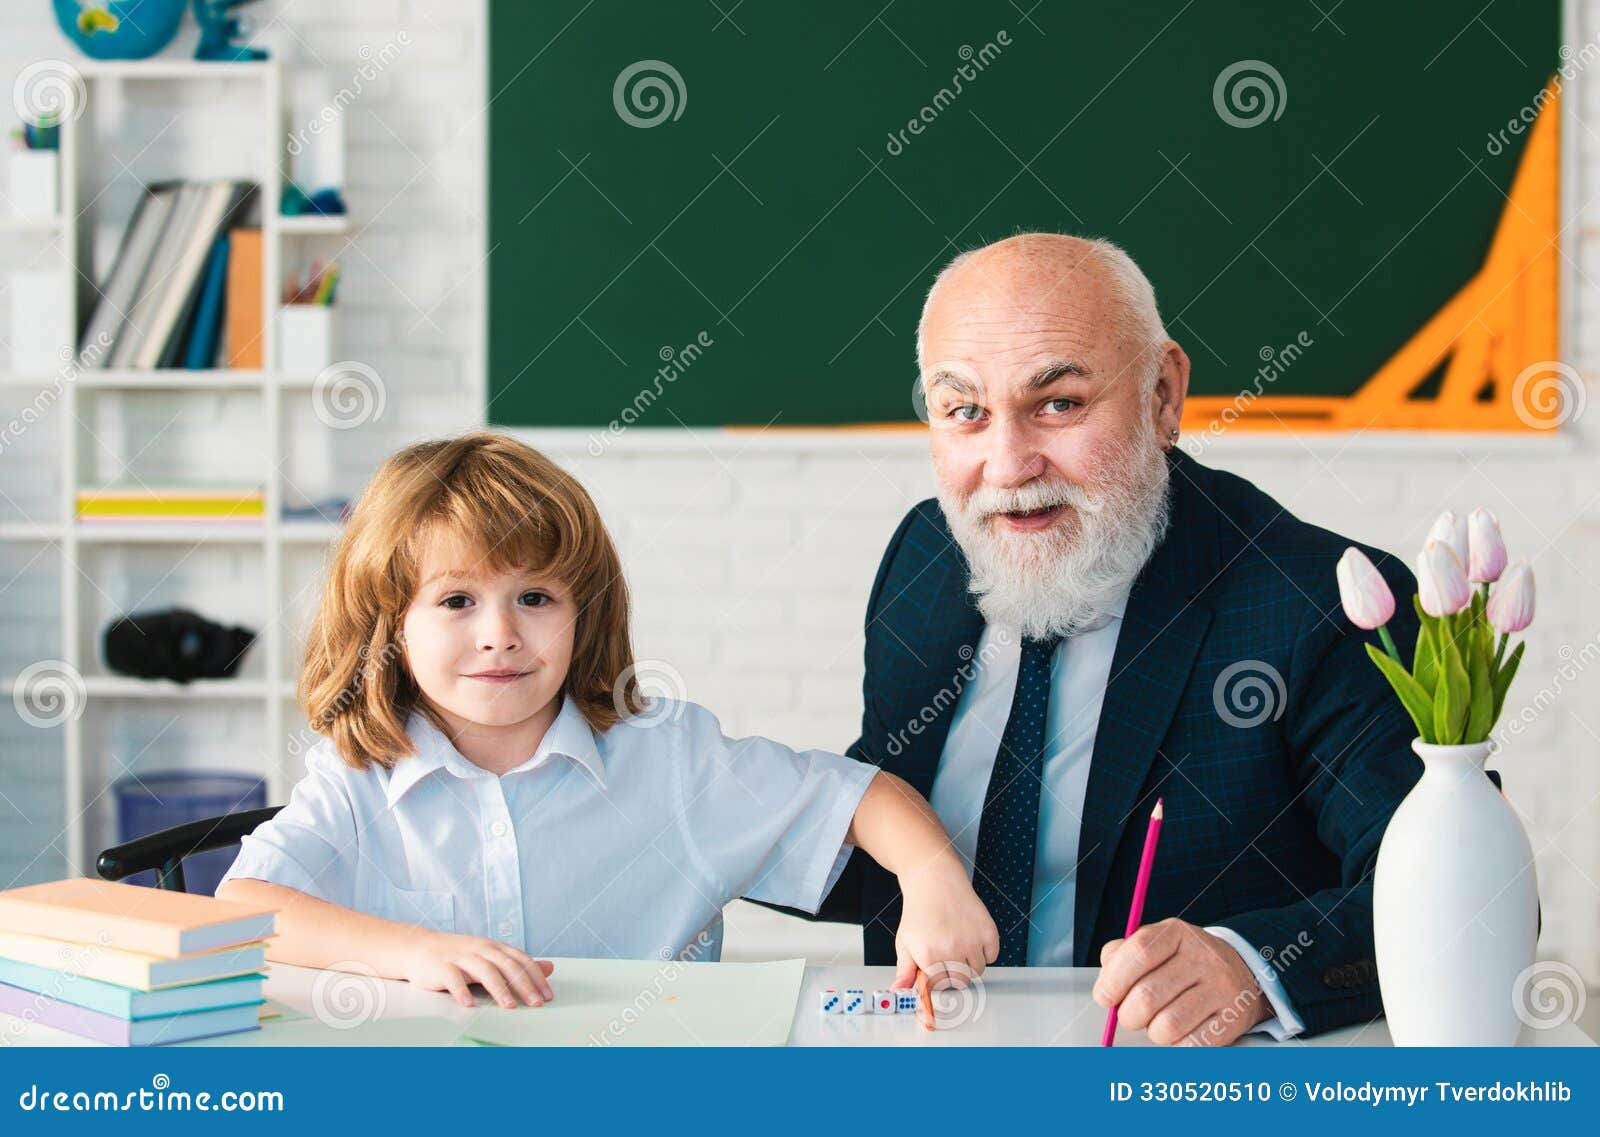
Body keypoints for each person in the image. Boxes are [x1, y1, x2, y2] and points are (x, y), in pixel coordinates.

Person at [820, 232, 1425, 1044]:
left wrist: (1251, 964)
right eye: (965, 410)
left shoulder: (1318, 601)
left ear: (1163, 395)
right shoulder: (926, 556)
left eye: (1059, 404)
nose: (1006, 466)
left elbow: (1464, 903)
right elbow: (884, 815)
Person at [217, 433, 997, 1010]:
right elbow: (244, 908)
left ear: (583, 615)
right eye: (457, 600)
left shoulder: (670, 759)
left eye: (536, 597)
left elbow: (861, 796)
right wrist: (414, 953)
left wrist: (932, 875)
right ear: (390, 625)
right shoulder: (360, 775)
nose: (500, 634)